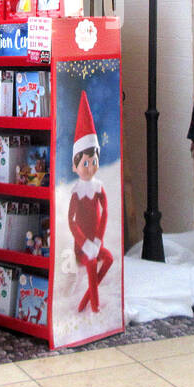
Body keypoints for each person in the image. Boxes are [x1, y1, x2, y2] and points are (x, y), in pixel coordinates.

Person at [67, 91, 112, 314]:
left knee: (109, 258)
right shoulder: (76, 192)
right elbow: (71, 220)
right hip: (82, 246)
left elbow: (105, 213)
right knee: (92, 263)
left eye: (93, 161)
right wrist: (85, 243)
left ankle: (86, 299)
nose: (91, 167)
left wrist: (97, 240)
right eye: (85, 163)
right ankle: (94, 307)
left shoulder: (98, 187)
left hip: (95, 241)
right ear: (75, 166)